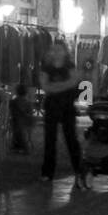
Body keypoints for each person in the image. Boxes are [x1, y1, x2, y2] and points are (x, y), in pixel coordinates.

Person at [38, 41, 82, 183]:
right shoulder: (46, 67)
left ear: (65, 51)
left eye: (59, 50)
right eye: (54, 50)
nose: (56, 53)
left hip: (67, 106)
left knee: (71, 138)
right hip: (51, 106)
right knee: (50, 140)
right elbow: (45, 86)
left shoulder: (70, 66)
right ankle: (48, 172)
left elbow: (73, 82)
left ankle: (79, 169)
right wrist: (63, 85)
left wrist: (55, 86)